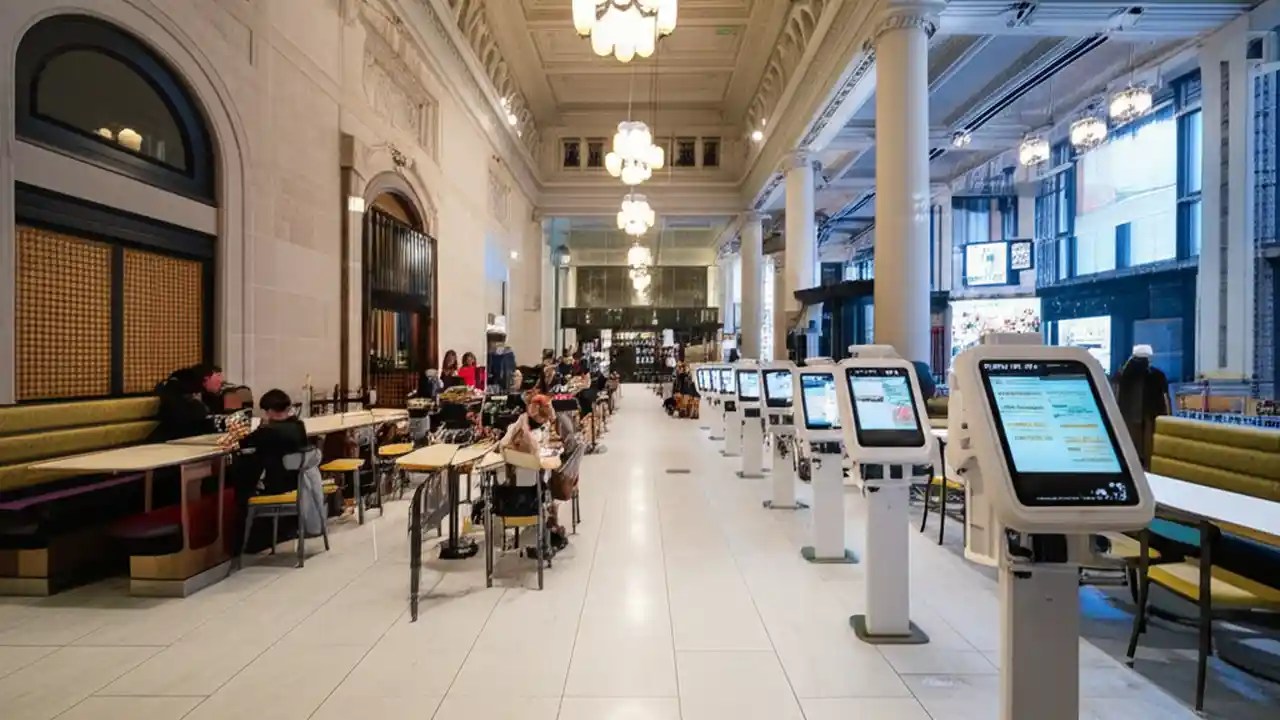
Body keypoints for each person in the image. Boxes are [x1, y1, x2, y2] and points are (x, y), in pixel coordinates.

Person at [222, 389, 309, 555]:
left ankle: (242, 544)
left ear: (268, 411)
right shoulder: (299, 426)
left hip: (276, 486)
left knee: (242, 486)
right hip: (297, 483)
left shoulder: (268, 431)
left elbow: (243, 443)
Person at [1116, 345, 1170, 469]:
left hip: (1129, 418)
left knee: (1132, 449)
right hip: (1150, 417)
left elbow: (1117, 396)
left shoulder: (1123, 375)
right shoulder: (1157, 375)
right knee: (1148, 449)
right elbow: (1165, 399)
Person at [151, 364, 219, 441]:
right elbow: (182, 419)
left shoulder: (208, 396)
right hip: (171, 439)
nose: (220, 381)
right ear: (206, 379)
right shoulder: (176, 391)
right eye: (218, 376)